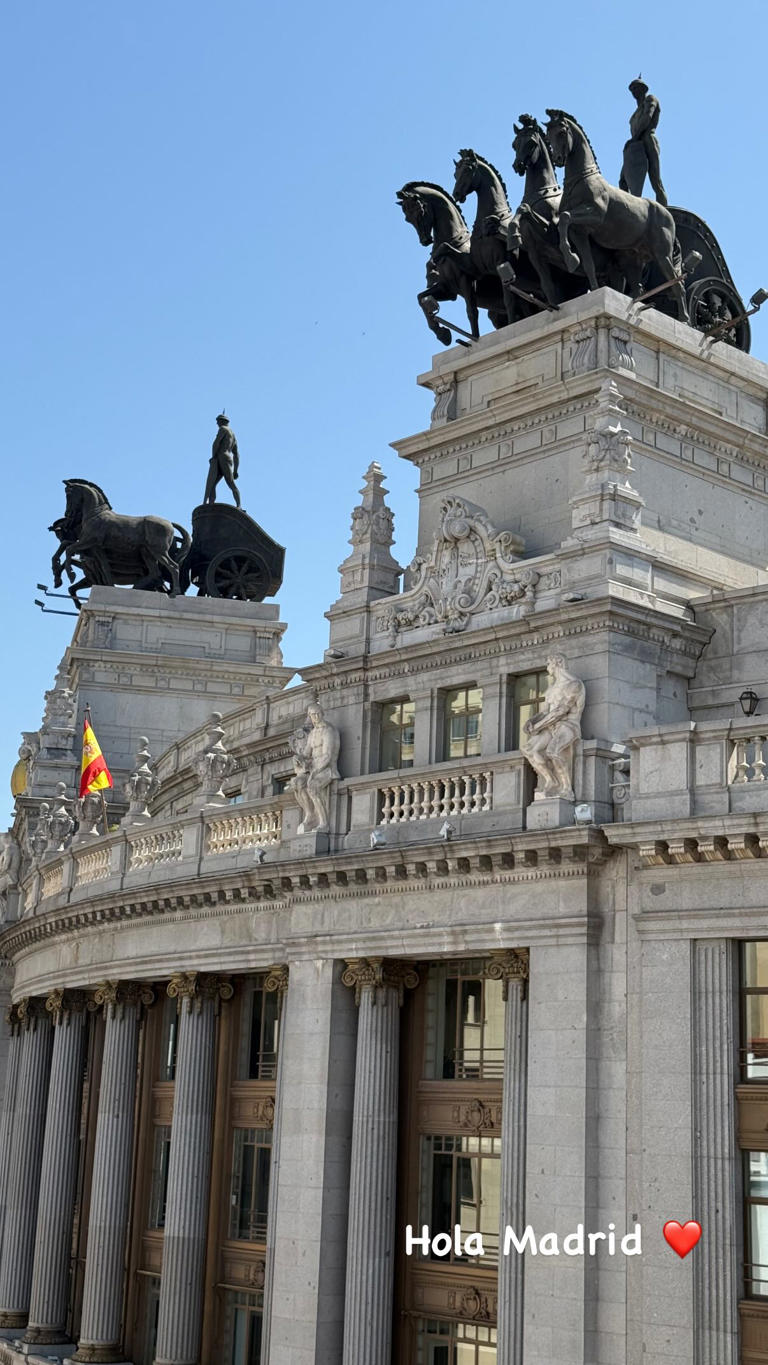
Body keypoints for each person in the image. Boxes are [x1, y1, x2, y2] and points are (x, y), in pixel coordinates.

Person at [521, 654, 585, 801]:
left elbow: (560, 711)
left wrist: (538, 726)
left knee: (552, 751)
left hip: (568, 725)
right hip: (550, 726)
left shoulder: (574, 685)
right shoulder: (551, 689)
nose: (547, 667)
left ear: (558, 663)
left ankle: (567, 788)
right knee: (528, 749)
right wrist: (531, 721)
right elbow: (545, 712)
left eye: (549, 663)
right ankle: (551, 780)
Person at [289, 705, 341, 834]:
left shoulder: (328, 731)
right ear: (310, 716)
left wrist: (314, 770)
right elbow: (307, 753)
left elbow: (328, 755)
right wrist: (298, 758)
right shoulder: (312, 733)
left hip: (327, 769)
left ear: (322, 713)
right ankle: (310, 814)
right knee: (297, 783)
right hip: (314, 768)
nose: (316, 717)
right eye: (313, 715)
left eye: (318, 714)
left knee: (312, 787)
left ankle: (323, 822)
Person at [619, 78, 668, 205]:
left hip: (648, 140)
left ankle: (664, 211)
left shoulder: (651, 99)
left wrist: (634, 138)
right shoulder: (633, 116)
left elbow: (647, 117)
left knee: (655, 180)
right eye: (632, 89)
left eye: (636, 88)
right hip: (636, 146)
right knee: (623, 180)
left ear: (643, 89)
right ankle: (629, 207)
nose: (634, 91)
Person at [204, 414, 241, 507]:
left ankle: (239, 505)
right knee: (214, 483)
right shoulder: (233, 435)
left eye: (218, 421)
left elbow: (215, 443)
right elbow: (236, 454)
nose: (217, 423)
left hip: (222, 457)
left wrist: (213, 457)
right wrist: (235, 470)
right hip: (228, 459)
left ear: (222, 421)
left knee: (229, 483)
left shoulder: (223, 429)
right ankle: (211, 503)